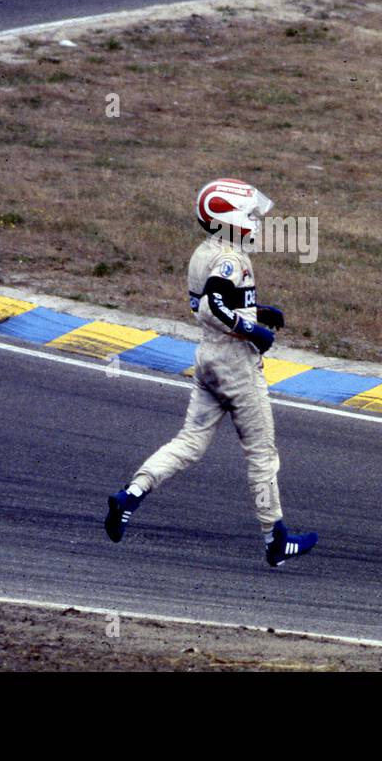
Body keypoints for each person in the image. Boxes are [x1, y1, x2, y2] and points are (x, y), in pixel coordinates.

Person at [104, 178, 318, 567]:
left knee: (189, 442)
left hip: (207, 360)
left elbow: (211, 303)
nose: (255, 221)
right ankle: (276, 538)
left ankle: (131, 495)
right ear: (230, 218)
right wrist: (255, 330)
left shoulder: (203, 253)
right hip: (237, 366)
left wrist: (258, 309)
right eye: (249, 214)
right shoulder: (232, 259)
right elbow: (213, 306)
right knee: (262, 455)